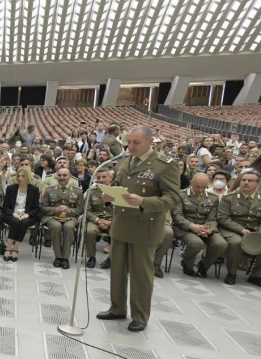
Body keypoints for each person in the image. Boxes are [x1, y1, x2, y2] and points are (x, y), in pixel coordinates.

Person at [98, 125, 180, 332]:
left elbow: (173, 198)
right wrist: (110, 196)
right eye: (129, 142)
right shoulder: (127, 160)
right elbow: (121, 187)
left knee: (140, 274)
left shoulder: (164, 165)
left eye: (136, 142)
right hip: (121, 224)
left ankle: (140, 315)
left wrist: (144, 201)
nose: (131, 146)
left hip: (145, 227)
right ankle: (117, 308)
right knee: (117, 270)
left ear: (150, 141)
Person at [173, 172, 227, 278]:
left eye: (204, 187)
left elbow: (212, 218)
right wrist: (192, 226)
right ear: (191, 183)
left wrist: (209, 229)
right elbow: (177, 215)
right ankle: (187, 264)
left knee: (221, 244)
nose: (201, 189)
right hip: (185, 228)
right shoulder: (180, 195)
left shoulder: (213, 198)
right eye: (198, 187)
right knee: (196, 243)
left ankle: (204, 265)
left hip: (204, 228)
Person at [216, 170, 261, 286]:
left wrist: (258, 233)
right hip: (232, 229)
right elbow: (223, 218)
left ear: (258, 183)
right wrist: (241, 230)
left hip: (255, 230)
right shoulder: (229, 198)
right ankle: (232, 273)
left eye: (250, 180)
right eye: (243, 180)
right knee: (236, 242)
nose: (246, 182)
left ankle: (256, 275)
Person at [40, 168, 84, 269]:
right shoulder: (49, 190)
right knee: (56, 226)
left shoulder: (77, 191)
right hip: (52, 216)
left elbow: (80, 209)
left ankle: (65, 258)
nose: (62, 178)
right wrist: (55, 209)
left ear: (70, 176)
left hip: (70, 217)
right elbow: (43, 206)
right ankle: (58, 257)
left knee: (69, 227)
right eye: (59, 175)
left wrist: (69, 211)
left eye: (64, 175)